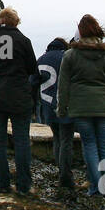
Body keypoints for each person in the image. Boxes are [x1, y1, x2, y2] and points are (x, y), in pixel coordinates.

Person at [58, 16, 105, 196]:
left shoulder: (70, 55)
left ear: (80, 32)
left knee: (90, 145)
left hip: (81, 107)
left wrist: (62, 108)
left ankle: (96, 187)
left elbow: (63, 86)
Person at [0, 8, 38, 195]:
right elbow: (32, 68)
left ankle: (3, 184)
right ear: (16, 22)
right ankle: (24, 185)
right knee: (21, 140)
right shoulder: (24, 40)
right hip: (19, 95)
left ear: (0, 21)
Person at [34, 38, 74, 188]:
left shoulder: (41, 59)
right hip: (66, 105)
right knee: (66, 141)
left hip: (47, 106)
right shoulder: (68, 56)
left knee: (57, 139)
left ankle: (60, 170)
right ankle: (65, 175)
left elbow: (33, 81)